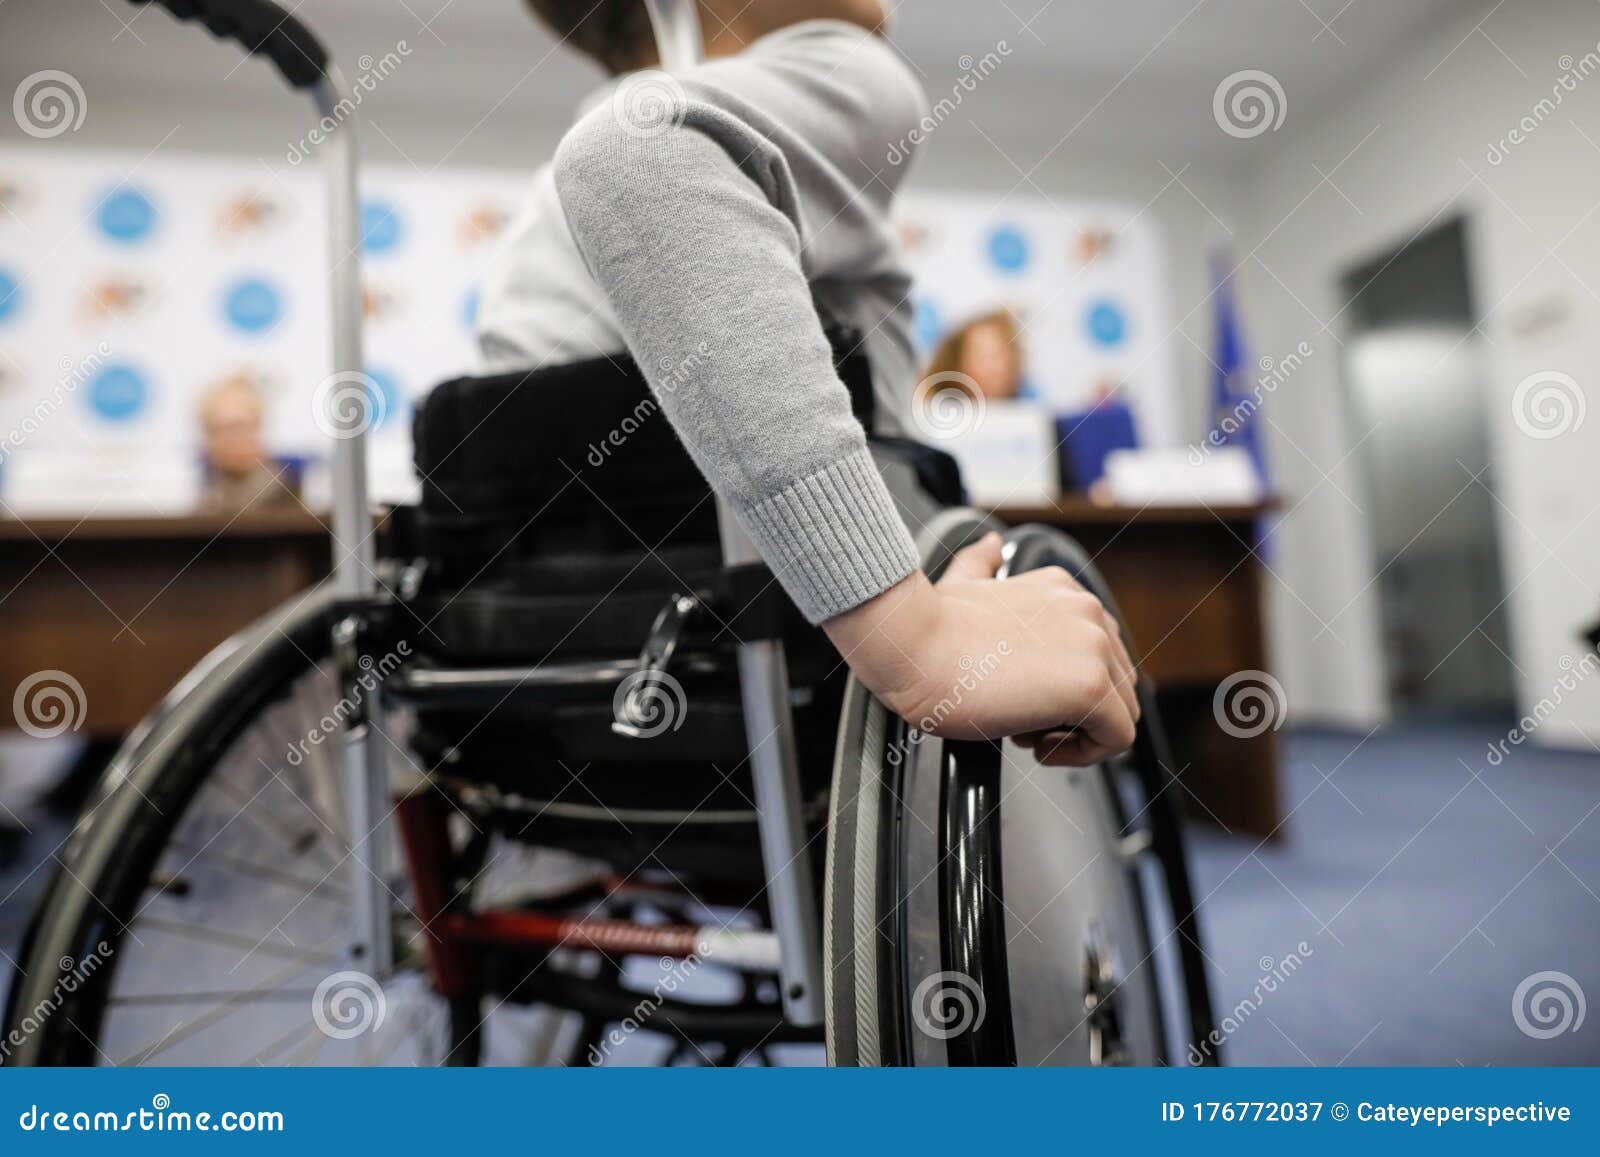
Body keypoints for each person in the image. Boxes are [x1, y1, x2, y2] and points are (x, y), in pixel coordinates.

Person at [478, 0, 1138, 764]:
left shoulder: (540, 212)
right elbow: (638, 152)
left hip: (573, 710)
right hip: (801, 687)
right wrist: (915, 639)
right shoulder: (839, 64)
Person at [196, 375, 299, 514]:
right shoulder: (204, 505)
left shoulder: (293, 499)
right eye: (225, 429)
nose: (236, 438)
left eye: (242, 426)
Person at [925, 308, 1026, 400]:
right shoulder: (930, 409)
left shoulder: (1031, 412)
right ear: (957, 364)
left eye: (998, 356)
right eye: (981, 357)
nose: (991, 368)